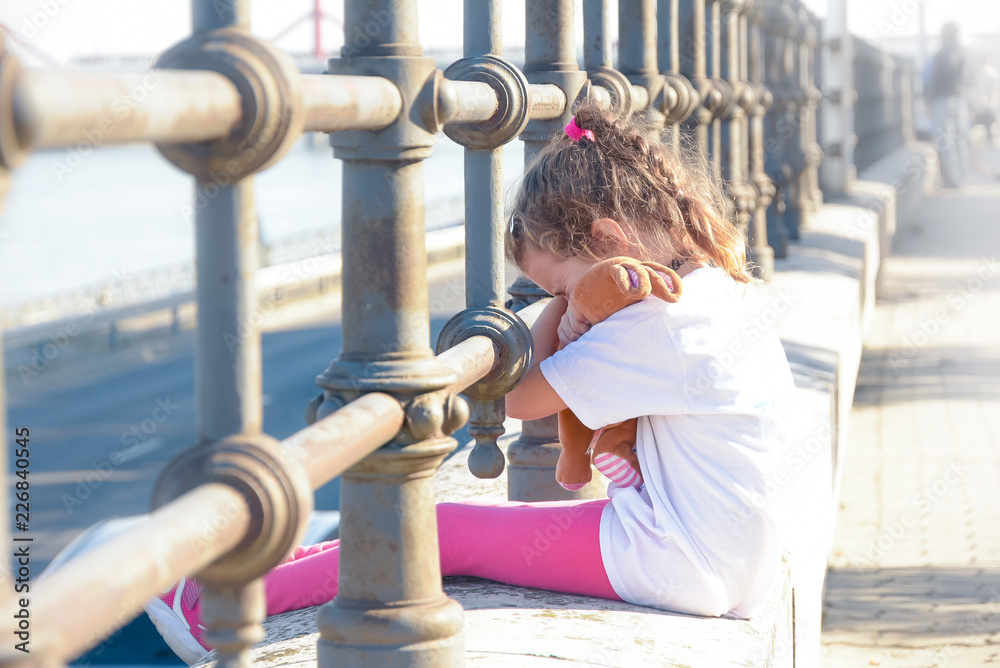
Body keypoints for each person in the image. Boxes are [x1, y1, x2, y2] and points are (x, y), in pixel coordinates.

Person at [146, 106, 797, 664]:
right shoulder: (719, 294)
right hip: (724, 561)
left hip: (678, 559)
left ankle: (216, 605)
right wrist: (572, 295)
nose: (564, 303)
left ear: (608, 240)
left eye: (562, 284)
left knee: (441, 530)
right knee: (461, 525)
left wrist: (555, 314)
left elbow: (517, 398)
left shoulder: (661, 324)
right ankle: (270, 572)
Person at [927, 22, 971, 187]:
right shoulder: (963, 53)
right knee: (961, 139)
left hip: (942, 100)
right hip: (960, 100)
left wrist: (929, 102)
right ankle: (964, 176)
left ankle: (953, 179)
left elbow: (933, 79)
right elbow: (969, 78)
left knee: (945, 140)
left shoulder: (939, 54)